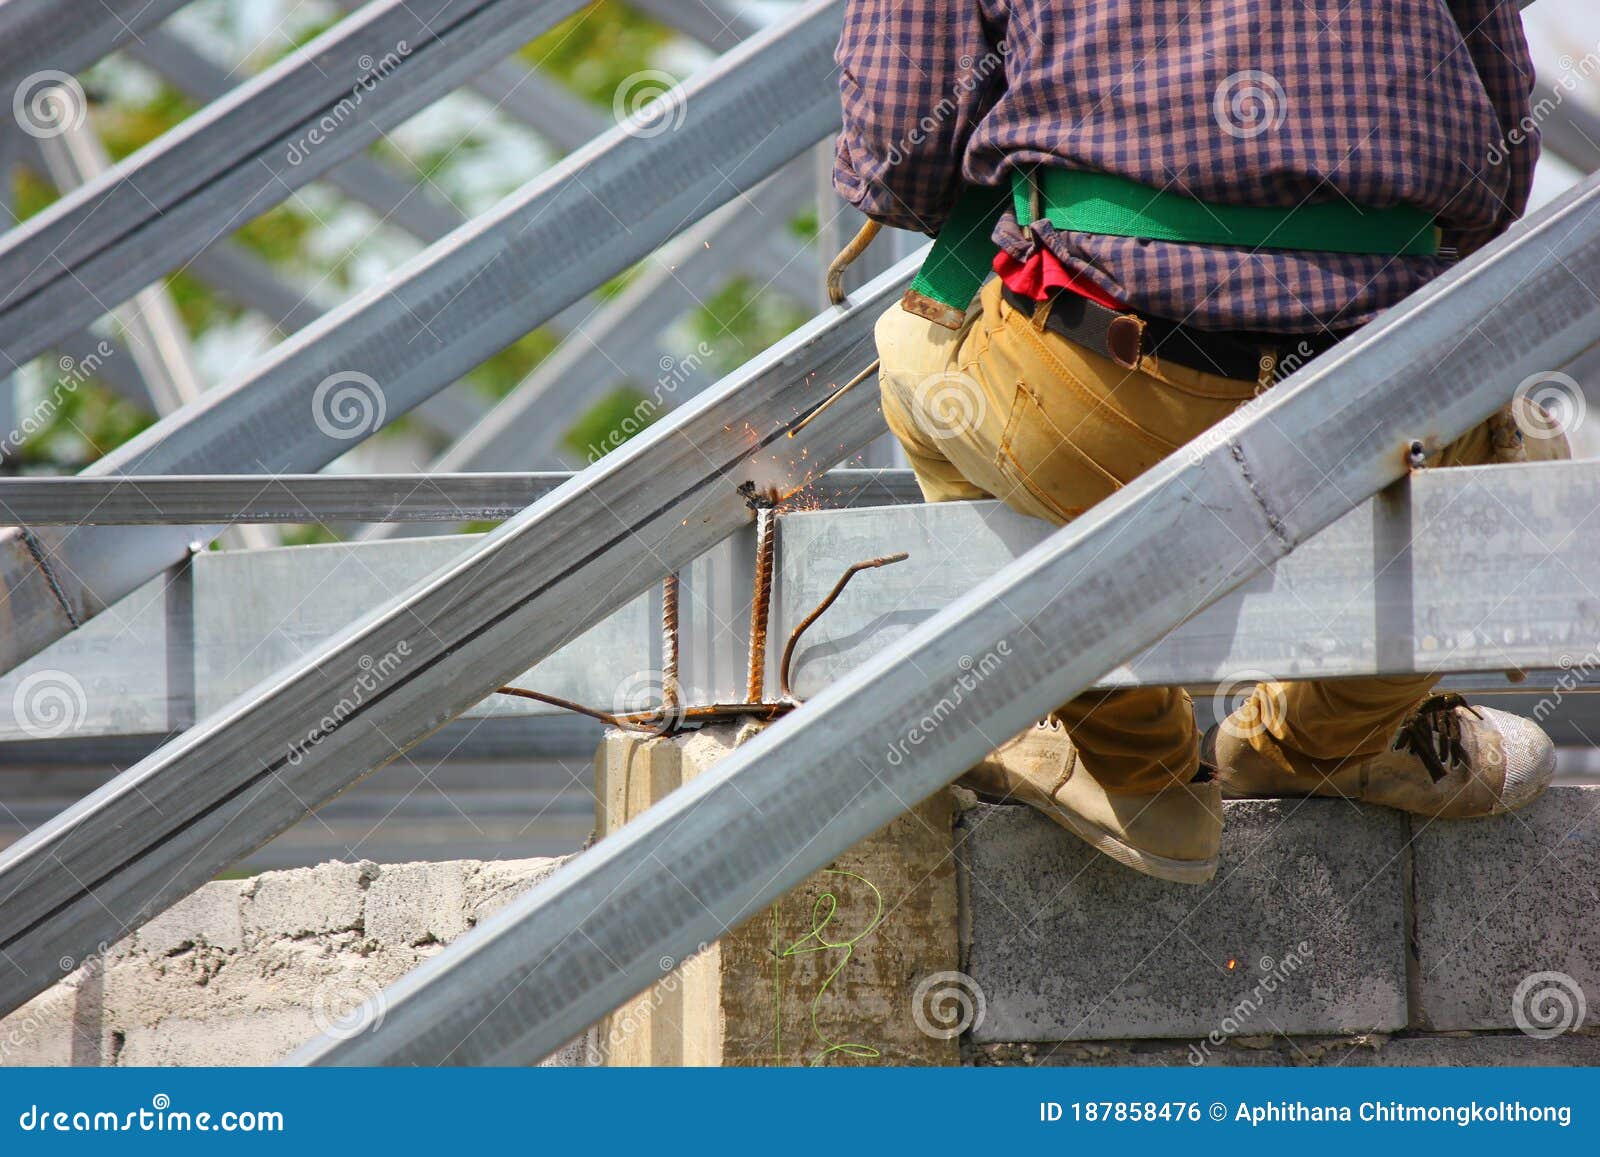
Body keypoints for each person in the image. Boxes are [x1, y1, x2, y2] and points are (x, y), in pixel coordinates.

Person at [834, 0, 1561, 884]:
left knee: (915, 353)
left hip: (1101, 390)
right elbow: (1505, 171)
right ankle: (1328, 740)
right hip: (1388, 399)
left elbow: (903, 157)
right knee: (1510, 452)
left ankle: (1134, 773)